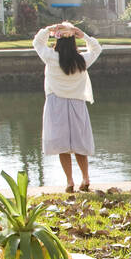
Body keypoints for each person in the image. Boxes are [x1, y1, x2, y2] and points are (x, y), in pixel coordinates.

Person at [33, 22, 102, 193]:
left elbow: (37, 42)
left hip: (56, 103)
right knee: (79, 144)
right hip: (77, 103)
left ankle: (70, 181)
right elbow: (96, 49)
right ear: (73, 43)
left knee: (62, 146)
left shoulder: (51, 57)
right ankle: (85, 178)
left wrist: (49, 29)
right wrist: (82, 34)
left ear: (57, 42)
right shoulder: (81, 61)